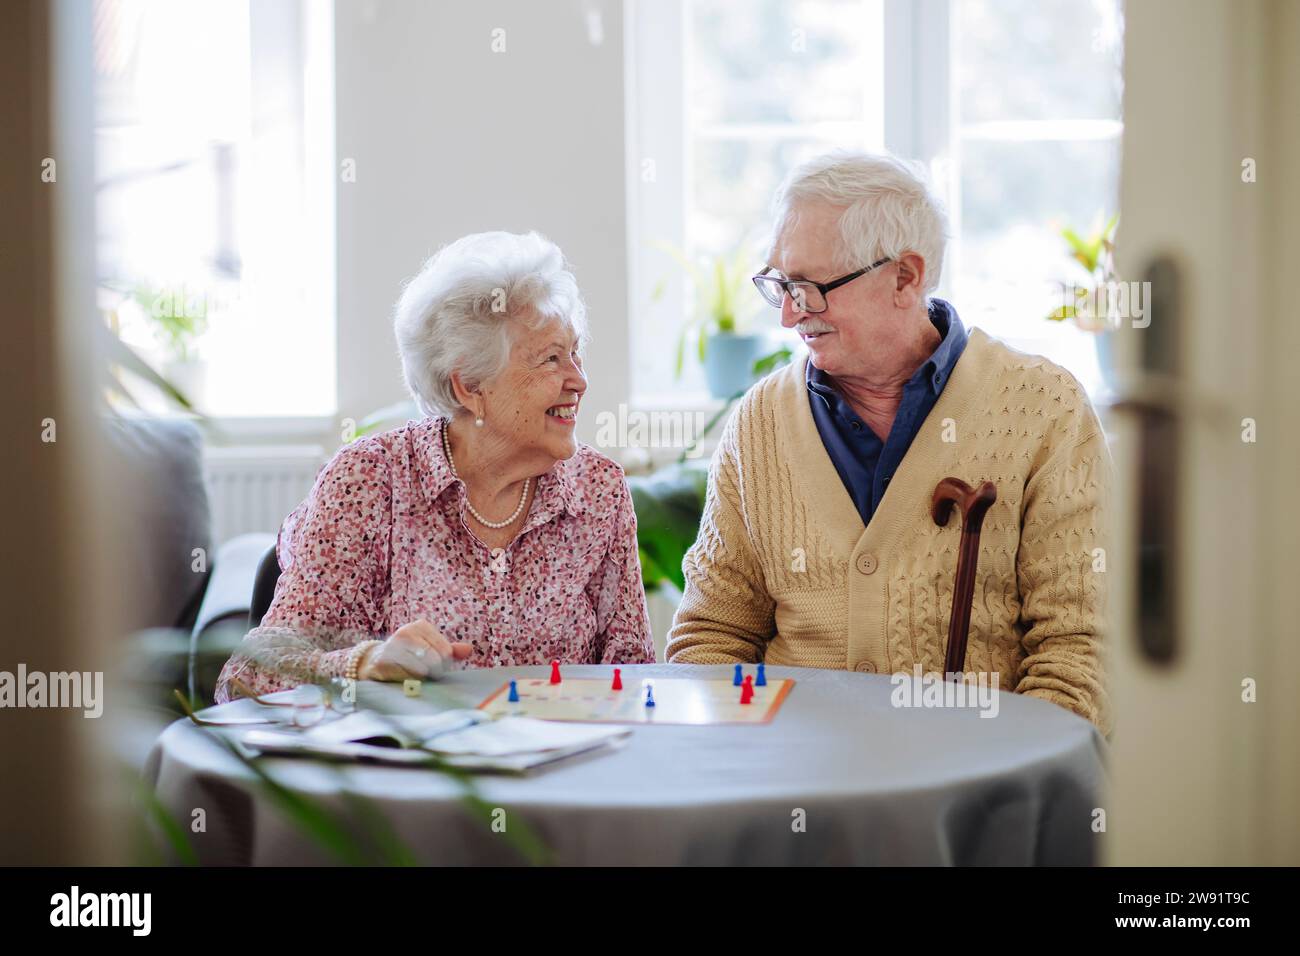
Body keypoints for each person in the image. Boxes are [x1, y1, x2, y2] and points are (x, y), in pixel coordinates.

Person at [666, 150, 1112, 733]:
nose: (788, 318)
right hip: (788, 791)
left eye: (811, 287)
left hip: (978, 796)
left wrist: (995, 789)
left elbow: (1079, 652)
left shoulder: (1046, 410)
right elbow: (712, 637)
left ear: (906, 276)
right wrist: (745, 775)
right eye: (781, 285)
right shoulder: (761, 421)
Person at [215, 231, 654, 702]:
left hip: (560, 767)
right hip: (411, 770)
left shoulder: (599, 490)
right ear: (469, 387)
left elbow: (634, 676)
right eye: (551, 359)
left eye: (574, 353)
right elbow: (245, 679)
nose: (580, 380)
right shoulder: (370, 481)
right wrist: (361, 664)